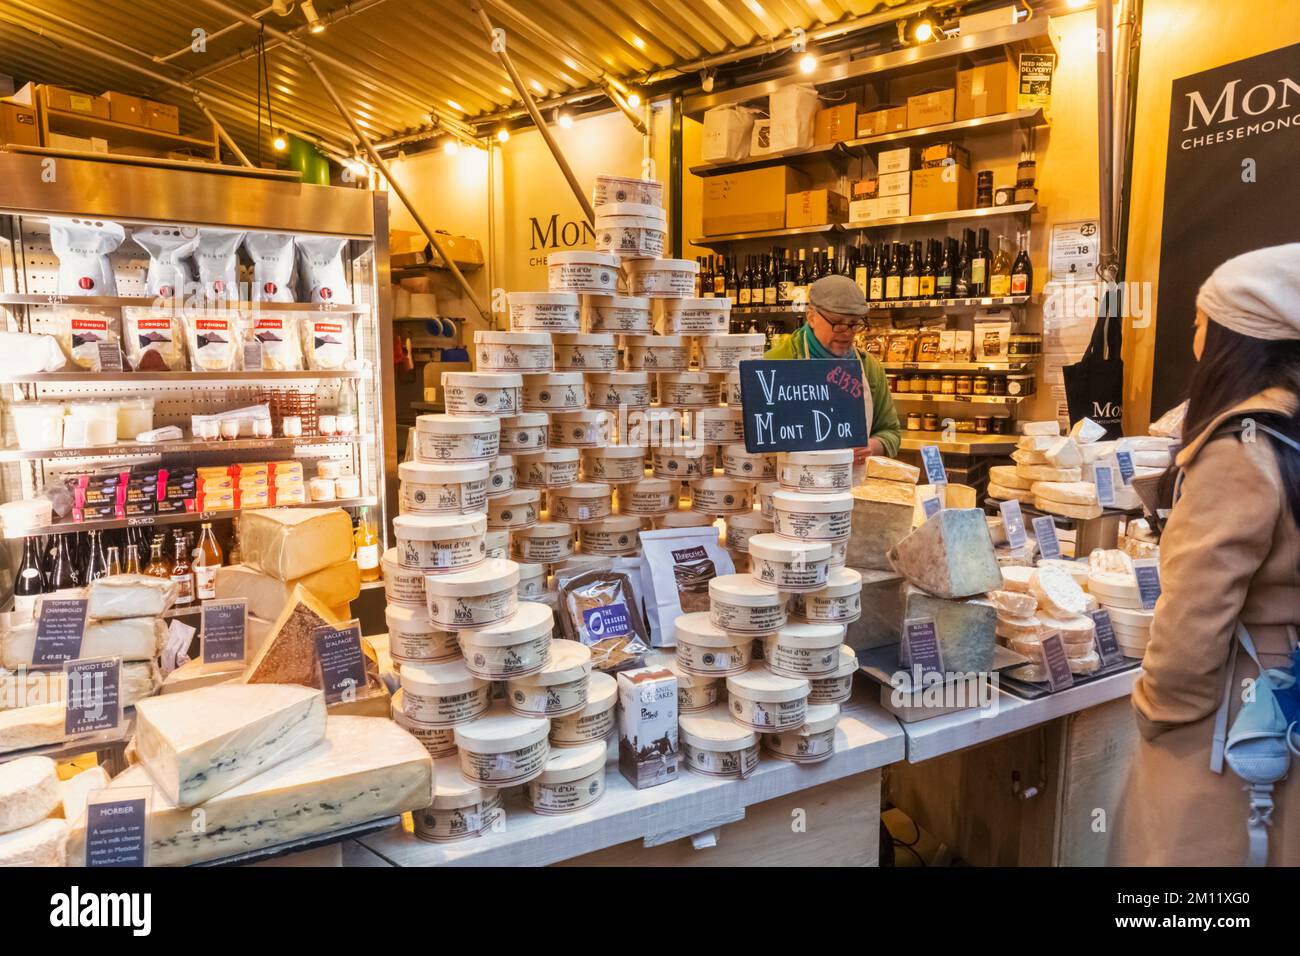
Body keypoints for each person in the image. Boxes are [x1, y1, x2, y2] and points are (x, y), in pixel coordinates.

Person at [1111, 243, 1300, 866]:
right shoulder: (1288, 425)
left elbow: (1196, 609)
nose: (1194, 332)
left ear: (1235, 337)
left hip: (1233, 708)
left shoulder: (1238, 443)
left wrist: (1161, 709)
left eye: (1200, 320)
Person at [763, 274, 901, 464]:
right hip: (792, 485)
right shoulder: (776, 362)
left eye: (854, 324)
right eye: (837, 323)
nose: (847, 333)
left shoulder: (869, 367)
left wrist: (872, 446)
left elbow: (891, 432)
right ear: (811, 317)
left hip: (849, 485)